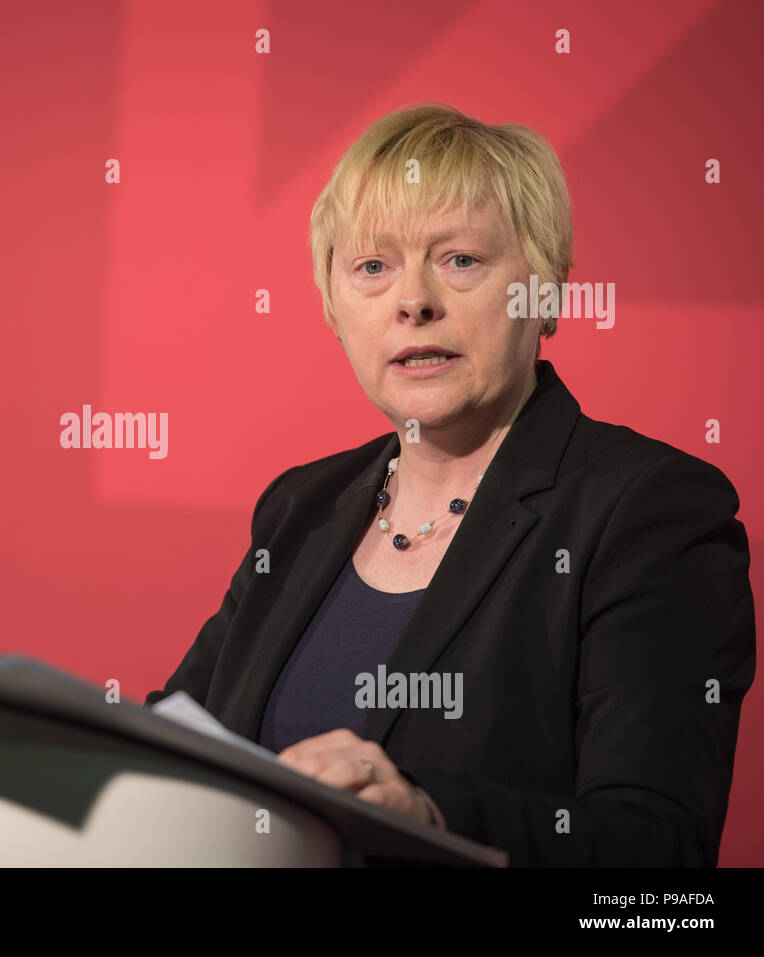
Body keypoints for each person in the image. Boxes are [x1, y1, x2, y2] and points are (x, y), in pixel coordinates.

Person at [144, 104, 755, 866]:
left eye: (460, 259)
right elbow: (170, 751)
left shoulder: (651, 512)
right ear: (334, 307)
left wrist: (426, 815)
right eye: (372, 266)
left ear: (547, 292)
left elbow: (656, 853)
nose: (414, 300)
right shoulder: (300, 507)